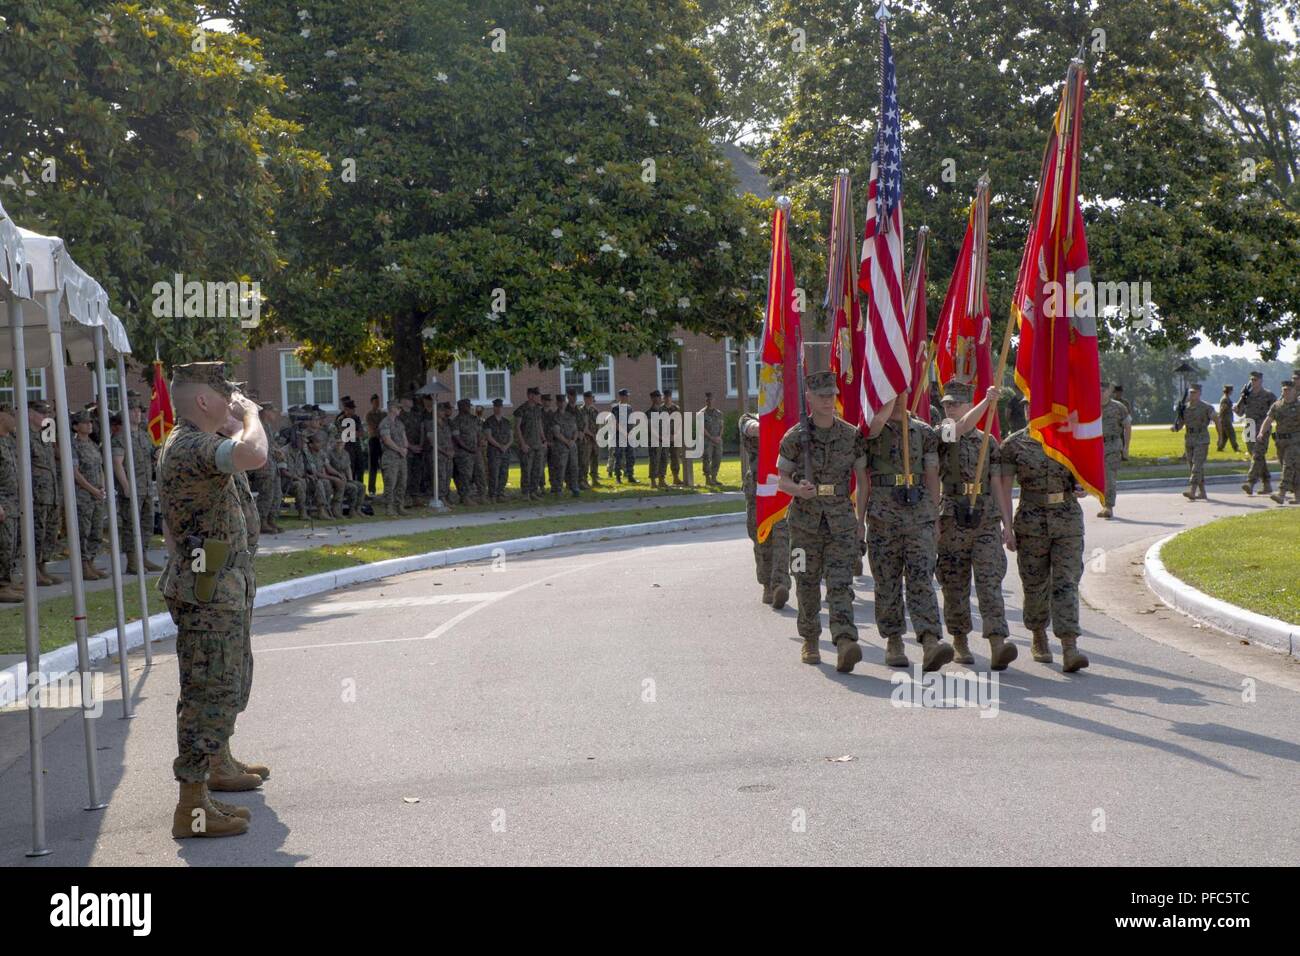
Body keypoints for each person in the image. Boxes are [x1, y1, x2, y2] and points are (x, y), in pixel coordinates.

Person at [158, 362, 267, 839]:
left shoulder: (198, 444)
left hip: (220, 582)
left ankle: (214, 772)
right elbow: (255, 453)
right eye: (225, 395)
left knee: (224, 683)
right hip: (209, 589)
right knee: (208, 692)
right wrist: (251, 416)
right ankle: (192, 808)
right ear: (204, 401)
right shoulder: (191, 445)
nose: (233, 401)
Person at [777, 371, 868, 671]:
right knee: (806, 581)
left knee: (841, 584)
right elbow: (780, 481)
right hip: (804, 524)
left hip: (841, 521)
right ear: (810, 399)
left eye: (832, 395)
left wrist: (860, 519)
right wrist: (797, 490)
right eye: (822, 396)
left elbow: (863, 481)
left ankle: (844, 641)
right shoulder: (794, 437)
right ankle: (810, 639)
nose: (829, 400)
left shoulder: (851, 434)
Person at [863, 388, 954, 672]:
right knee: (887, 580)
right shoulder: (871, 427)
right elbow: (863, 470)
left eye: (901, 390)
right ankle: (893, 641)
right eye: (891, 389)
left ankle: (929, 642)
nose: (899, 395)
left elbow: (931, 474)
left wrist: (935, 514)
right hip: (882, 516)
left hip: (918, 514)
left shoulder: (924, 432)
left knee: (921, 577)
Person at [998, 398, 1089, 672]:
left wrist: (1082, 485)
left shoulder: (1069, 438)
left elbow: (1084, 475)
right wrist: (1007, 526)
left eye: (1037, 403)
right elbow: (1004, 487)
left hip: (1067, 520)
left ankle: (1069, 646)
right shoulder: (1013, 444)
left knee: (1066, 582)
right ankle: (1038, 635)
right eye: (1028, 404)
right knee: (1035, 584)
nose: (1031, 409)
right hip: (1031, 520)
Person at [934, 383, 1018, 670]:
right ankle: (959, 640)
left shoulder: (989, 442)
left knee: (989, 580)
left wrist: (1008, 524)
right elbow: (957, 429)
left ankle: (997, 642)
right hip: (953, 517)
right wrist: (987, 401)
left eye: (956, 403)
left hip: (984, 517)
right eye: (947, 404)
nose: (950, 408)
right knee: (954, 583)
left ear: (967, 404)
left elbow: (996, 483)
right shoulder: (943, 432)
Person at [740, 412, 790, 608]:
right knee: (759, 536)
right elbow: (753, 429)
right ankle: (766, 583)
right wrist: (773, 425)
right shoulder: (747, 418)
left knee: (782, 536)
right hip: (757, 489)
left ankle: (780, 584)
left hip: (780, 487)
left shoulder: (788, 417)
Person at [71, 408, 108, 581]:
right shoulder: (74, 445)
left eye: (90, 422)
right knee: (83, 531)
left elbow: (100, 467)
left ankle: (91, 562)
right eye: (85, 422)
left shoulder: (93, 445)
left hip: (97, 495)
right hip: (83, 495)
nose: (89, 425)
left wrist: (102, 487)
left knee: (96, 531)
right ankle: (83, 566)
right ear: (76, 426)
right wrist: (92, 490)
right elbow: (75, 473)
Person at [1259, 379, 1299, 504]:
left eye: (1288, 390)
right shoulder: (1277, 405)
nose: (1286, 392)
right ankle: (1298, 496)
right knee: (1293, 468)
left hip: (1295, 442)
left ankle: (1281, 494)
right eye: (1284, 390)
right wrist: (1261, 432)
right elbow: (1268, 420)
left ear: (1295, 391)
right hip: (1280, 442)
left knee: (1288, 466)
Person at [1235, 371, 1276, 494]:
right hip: (1249, 427)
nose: (1253, 382)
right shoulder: (1247, 395)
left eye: (1256, 380)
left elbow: (1275, 412)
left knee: (1258, 454)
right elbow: (1240, 412)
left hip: (1262, 429)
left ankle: (1250, 482)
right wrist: (1236, 409)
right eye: (1252, 380)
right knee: (1257, 456)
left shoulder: (1269, 395)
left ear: (1261, 381)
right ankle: (1267, 483)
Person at [1173, 383, 1214, 500]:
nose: (1192, 395)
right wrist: (1175, 427)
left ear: (1200, 393)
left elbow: (1217, 420)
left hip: (1202, 438)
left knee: (1197, 464)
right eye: (1191, 392)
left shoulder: (1206, 407)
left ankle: (1192, 491)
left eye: (1194, 392)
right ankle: (1203, 492)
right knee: (1193, 466)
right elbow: (1181, 424)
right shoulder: (1184, 408)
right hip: (1189, 439)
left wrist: (1221, 437)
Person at [1099, 381, 1131, 519]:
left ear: (1109, 392)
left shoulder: (1119, 407)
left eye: (1103, 391)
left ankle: (1109, 506)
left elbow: (1127, 427)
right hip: (1097, 446)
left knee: (1109, 476)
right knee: (1100, 477)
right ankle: (1104, 504)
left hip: (1112, 445)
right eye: (1098, 390)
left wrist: (1126, 448)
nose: (1100, 393)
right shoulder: (1091, 406)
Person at [0, 406, 20, 602]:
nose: (15, 419)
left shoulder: (9, 441)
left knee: (11, 545)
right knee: (3, 545)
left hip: (13, 502)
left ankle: (7, 582)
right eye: (12, 415)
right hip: (3, 502)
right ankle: (2, 586)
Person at [513, 387, 547, 501]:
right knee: (526, 470)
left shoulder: (538, 409)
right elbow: (517, 428)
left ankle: (533, 491)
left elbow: (540, 425)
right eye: (537, 395)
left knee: (537, 470)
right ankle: (525, 493)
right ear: (530, 396)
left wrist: (544, 440)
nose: (539, 397)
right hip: (527, 445)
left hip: (537, 444)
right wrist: (522, 444)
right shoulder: (521, 410)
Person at [378, 398, 409, 516]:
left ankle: (399, 506)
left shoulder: (399, 423)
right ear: (392, 408)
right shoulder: (385, 423)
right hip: (390, 458)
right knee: (391, 482)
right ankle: (389, 507)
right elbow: (387, 440)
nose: (400, 410)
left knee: (402, 482)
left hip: (401, 458)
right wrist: (399, 449)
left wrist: (405, 448)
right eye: (398, 407)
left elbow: (404, 437)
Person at [451, 398, 483, 505]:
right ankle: (465, 497)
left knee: (479, 472)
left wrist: (478, 446)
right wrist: (468, 448)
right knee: (465, 476)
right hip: (463, 453)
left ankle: (481, 495)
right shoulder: (456, 421)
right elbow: (457, 438)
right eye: (467, 405)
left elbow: (478, 433)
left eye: (469, 405)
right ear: (461, 407)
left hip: (476, 452)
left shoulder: (474, 419)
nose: (469, 407)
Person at [484, 398, 515, 502]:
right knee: (494, 473)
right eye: (496, 407)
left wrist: (506, 446)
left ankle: (500, 493)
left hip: (505, 452)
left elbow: (511, 437)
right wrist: (499, 446)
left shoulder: (506, 422)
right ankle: (492, 495)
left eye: (500, 407)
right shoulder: (488, 421)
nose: (498, 409)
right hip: (494, 452)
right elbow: (488, 436)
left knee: (504, 473)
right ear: (494, 408)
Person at [552, 391, 582, 498]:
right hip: (561, 447)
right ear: (557, 403)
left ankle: (574, 487)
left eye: (563, 401)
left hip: (572, 446)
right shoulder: (554, 416)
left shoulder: (570, 415)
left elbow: (575, 430)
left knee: (574, 467)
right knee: (561, 468)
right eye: (560, 402)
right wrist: (567, 442)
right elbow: (556, 433)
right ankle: (558, 489)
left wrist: (573, 440)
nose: (562, 404)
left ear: (565, 402)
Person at [611, 388, 637, 483]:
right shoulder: (615, 408)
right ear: (621, 396)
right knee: (618, 456)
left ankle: (630, 475)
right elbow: (615, 423)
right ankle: (618, 477)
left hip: (629, 436)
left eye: (628, 395)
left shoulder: (629, 407)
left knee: (631, 456)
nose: (627, 397)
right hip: (619, 437)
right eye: (626, 395)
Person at [579, 390, 602, 490]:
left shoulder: (594, 411)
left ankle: (594, 479)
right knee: (585, 461)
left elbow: (598, 424)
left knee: (595, 459)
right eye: (589, 398)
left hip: (594, 439)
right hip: (586, 440)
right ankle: (583, 480)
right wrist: (592, 435)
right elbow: (582, 427)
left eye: (592, 398)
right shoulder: (581, 411)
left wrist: (597, 435)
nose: (591, 400)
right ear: (585, 399)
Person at [700, 392, 724, 485]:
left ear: (714, 400)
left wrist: (719, 437)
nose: (710, 402)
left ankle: (714, 477)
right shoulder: (701, 413)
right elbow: (702, 428)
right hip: (707, 440)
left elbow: (722, 426)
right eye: (708, 400)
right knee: (707, 458)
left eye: (711, 399)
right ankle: (707, 479)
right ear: (706, 401)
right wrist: (711, 437)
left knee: (717, 458)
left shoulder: (719, 413)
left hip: (717, 440)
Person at [662, 388, 684, 485]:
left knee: (675, 457)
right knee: (664, 458)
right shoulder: (660, 409)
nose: (667, 399)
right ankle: (662, 478)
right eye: (665, 397)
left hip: (675, 438)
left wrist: (675, 435)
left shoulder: (676, 409)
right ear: (663, 398)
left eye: (669, 397)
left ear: (671, 397)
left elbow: (680, 423)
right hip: (664, 438)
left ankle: (676, 477)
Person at [364, 394, 384, 496]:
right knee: (373, 466)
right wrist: (381, 430)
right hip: (374, 440)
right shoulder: (369, 415)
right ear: (371, 402)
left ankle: (387, 488)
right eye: (375, 402)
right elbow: (373, 427)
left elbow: (385, 425)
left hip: (383, 440)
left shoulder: (382, 414)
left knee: (384, 465)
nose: (377, 404)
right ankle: (372, 489)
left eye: (378, 402)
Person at [646, 390, 666, 488]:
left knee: (664, 459)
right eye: (658, 397)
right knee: (654, 460)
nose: (660, 398)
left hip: (664, 440)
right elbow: (650, 428)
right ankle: (653, 481)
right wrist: (660, 437)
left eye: (660, 396)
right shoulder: (649, 413)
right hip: (654, 441)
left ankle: (662, 480)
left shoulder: (663, 412)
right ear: (653, 398)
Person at [1217, 385, 1239, 452]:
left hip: (1225, 420)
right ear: (1229, 391)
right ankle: (1235, 448)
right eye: (1231, 390)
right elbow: (1223, 408)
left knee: (1224, 436)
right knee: (1232, 434)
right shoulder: (1225, 399)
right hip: (1226, 420)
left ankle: (1220, 448)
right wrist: (1219, 417)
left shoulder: (1226, 398)